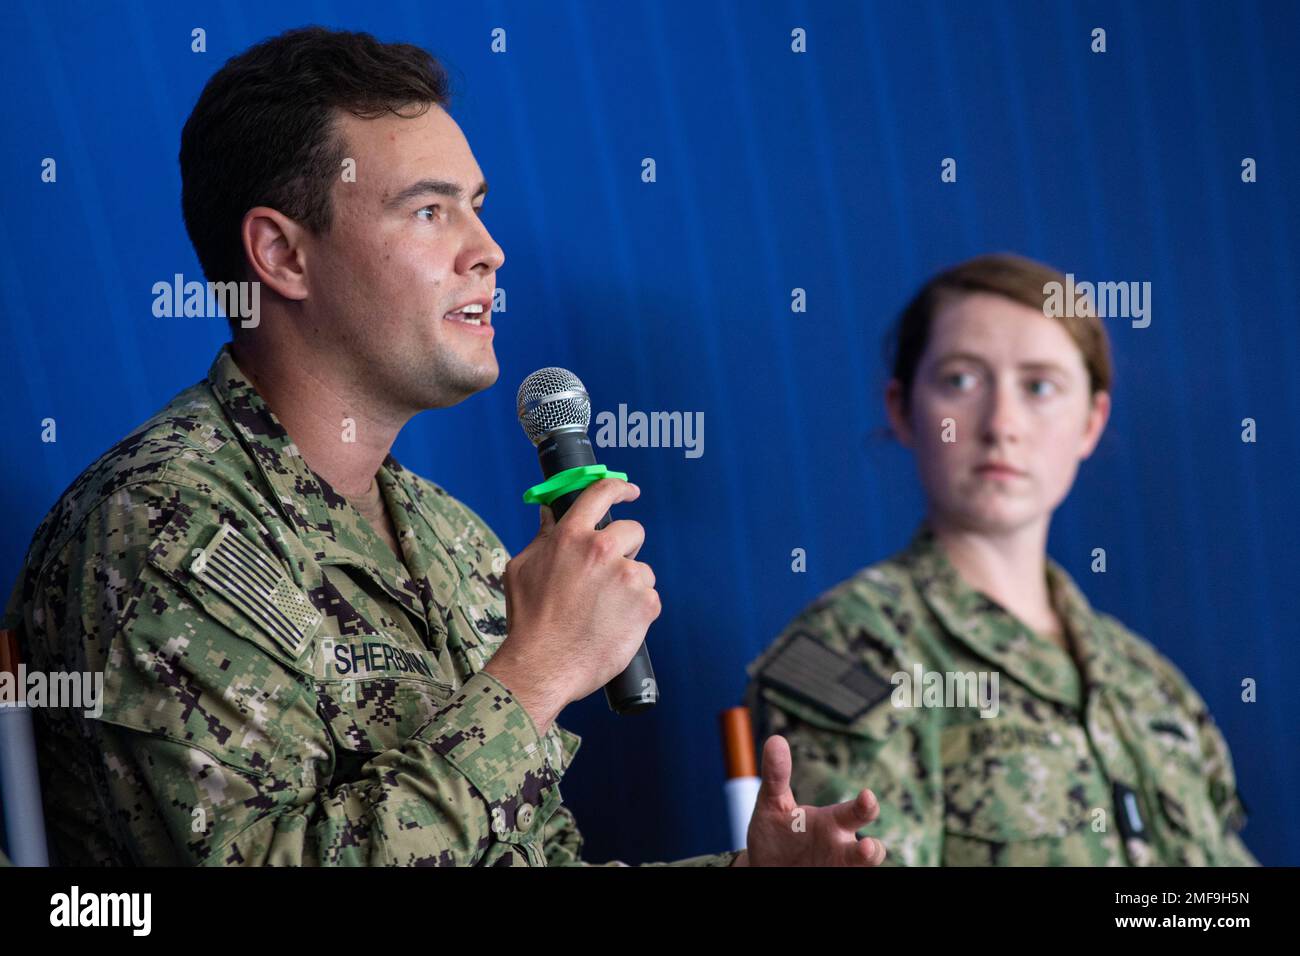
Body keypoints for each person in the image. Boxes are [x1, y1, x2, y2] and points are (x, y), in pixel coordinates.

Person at [2, 27, 885, 868]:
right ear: (281, 255)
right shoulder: (158, 524)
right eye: (429, 211)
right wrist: (534, 675)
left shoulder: (454, 539)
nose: (489, 251)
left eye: (477, 208)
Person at [747, 253, 1257, 866]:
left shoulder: (1150, 683)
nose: (1002, 424)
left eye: (1041, 386)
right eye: (961, 380)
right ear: (903, 408)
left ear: (1091, 422)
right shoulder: (840, 651)